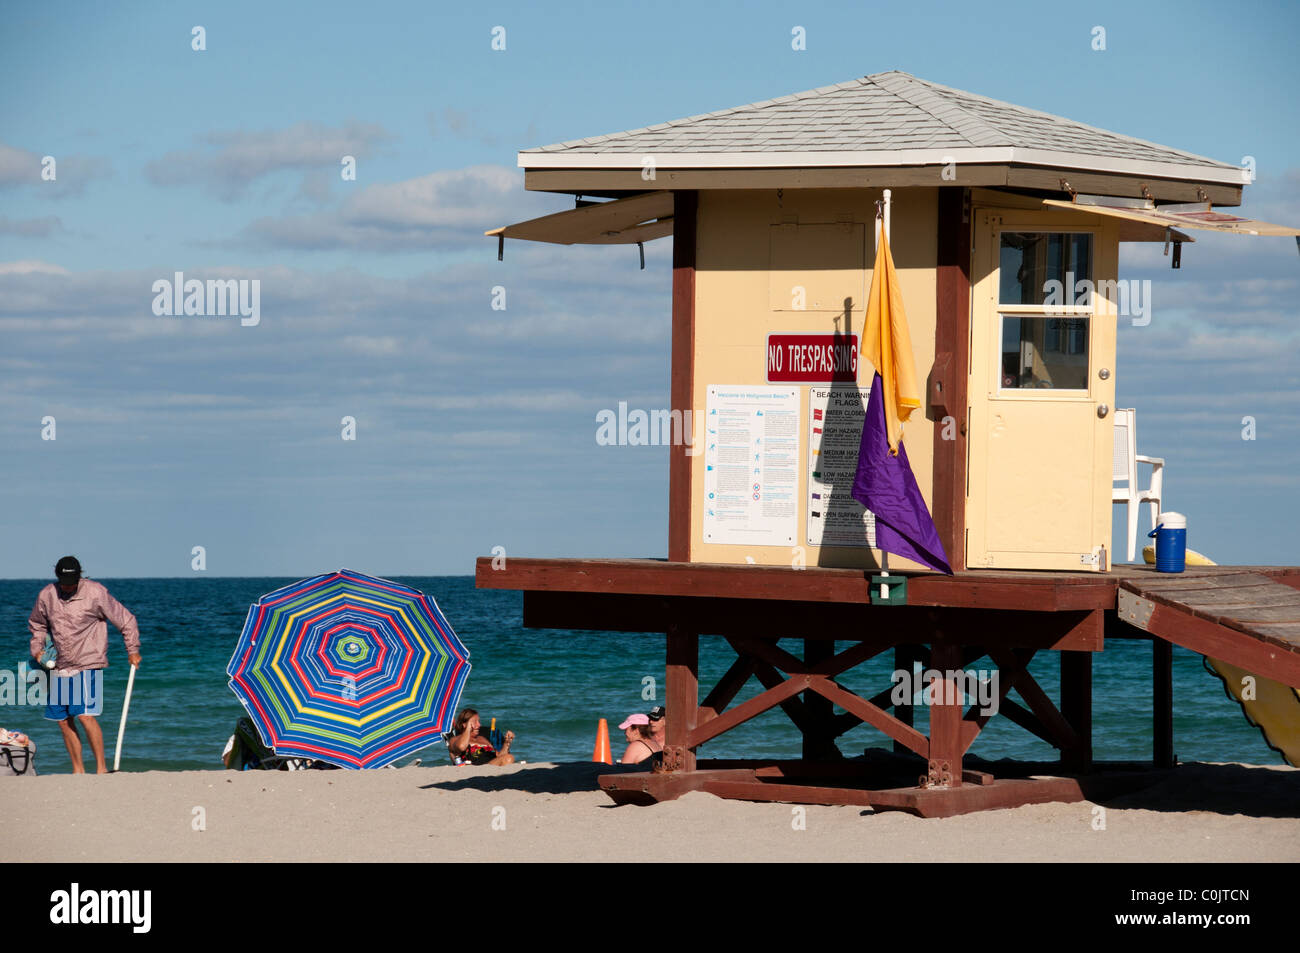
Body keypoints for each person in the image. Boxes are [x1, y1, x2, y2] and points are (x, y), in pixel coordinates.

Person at [27, 557, 141, 775]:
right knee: (62, 719)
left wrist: (132, 650)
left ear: (79, 576)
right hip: (59, 665)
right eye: (63, 580)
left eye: (71, 580)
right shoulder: (47, 595)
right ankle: (78, 771)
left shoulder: (96, 593)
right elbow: (37, 624)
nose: (67, 585)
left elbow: (126, 620)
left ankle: (101, 769)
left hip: (87, 662)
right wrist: (38, 648)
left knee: (85, 715)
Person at [448, 708, 515, 766]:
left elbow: (499, 757)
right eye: (474, 722)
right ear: (464, 725)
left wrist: (507, 743)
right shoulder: (455, 740)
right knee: (509, 758)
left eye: (479, 721)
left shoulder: (482, 738)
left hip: (491, 765)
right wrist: (468, 728)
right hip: (476, 769)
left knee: (508, 758)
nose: (479, 725)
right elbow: (461, 747)